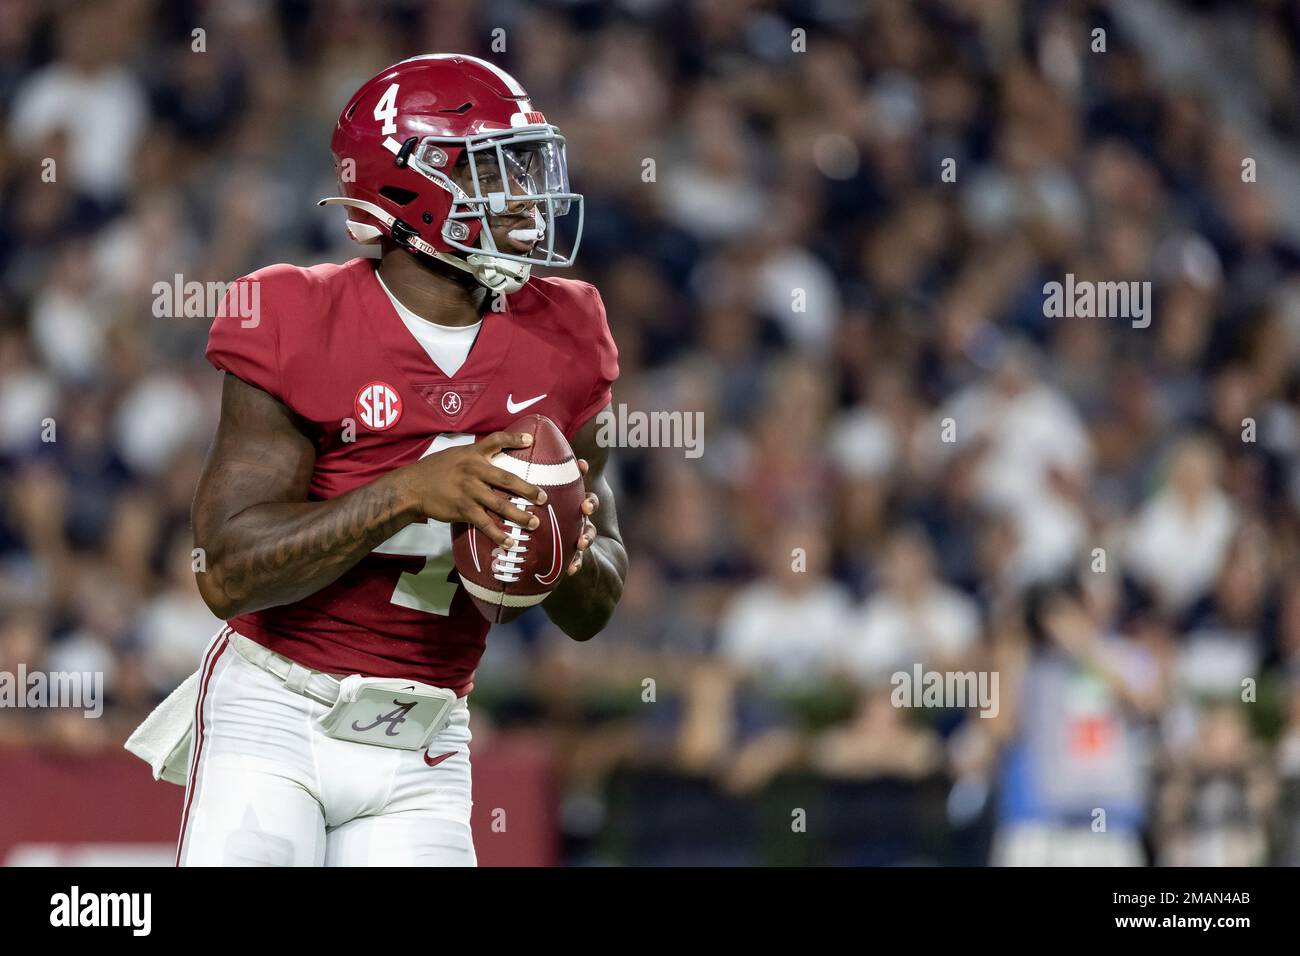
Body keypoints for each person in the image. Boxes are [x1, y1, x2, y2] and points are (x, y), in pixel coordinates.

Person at [165, 54, 626, 866]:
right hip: (275, 709)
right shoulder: (294, 312)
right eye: (493, 168)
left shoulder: (569, 333)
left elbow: (594, 605)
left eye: (524, 163)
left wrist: (561, 550)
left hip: (427, 733)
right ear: (408, 187)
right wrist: (408, 492)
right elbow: (225, 572)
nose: (524, 193)